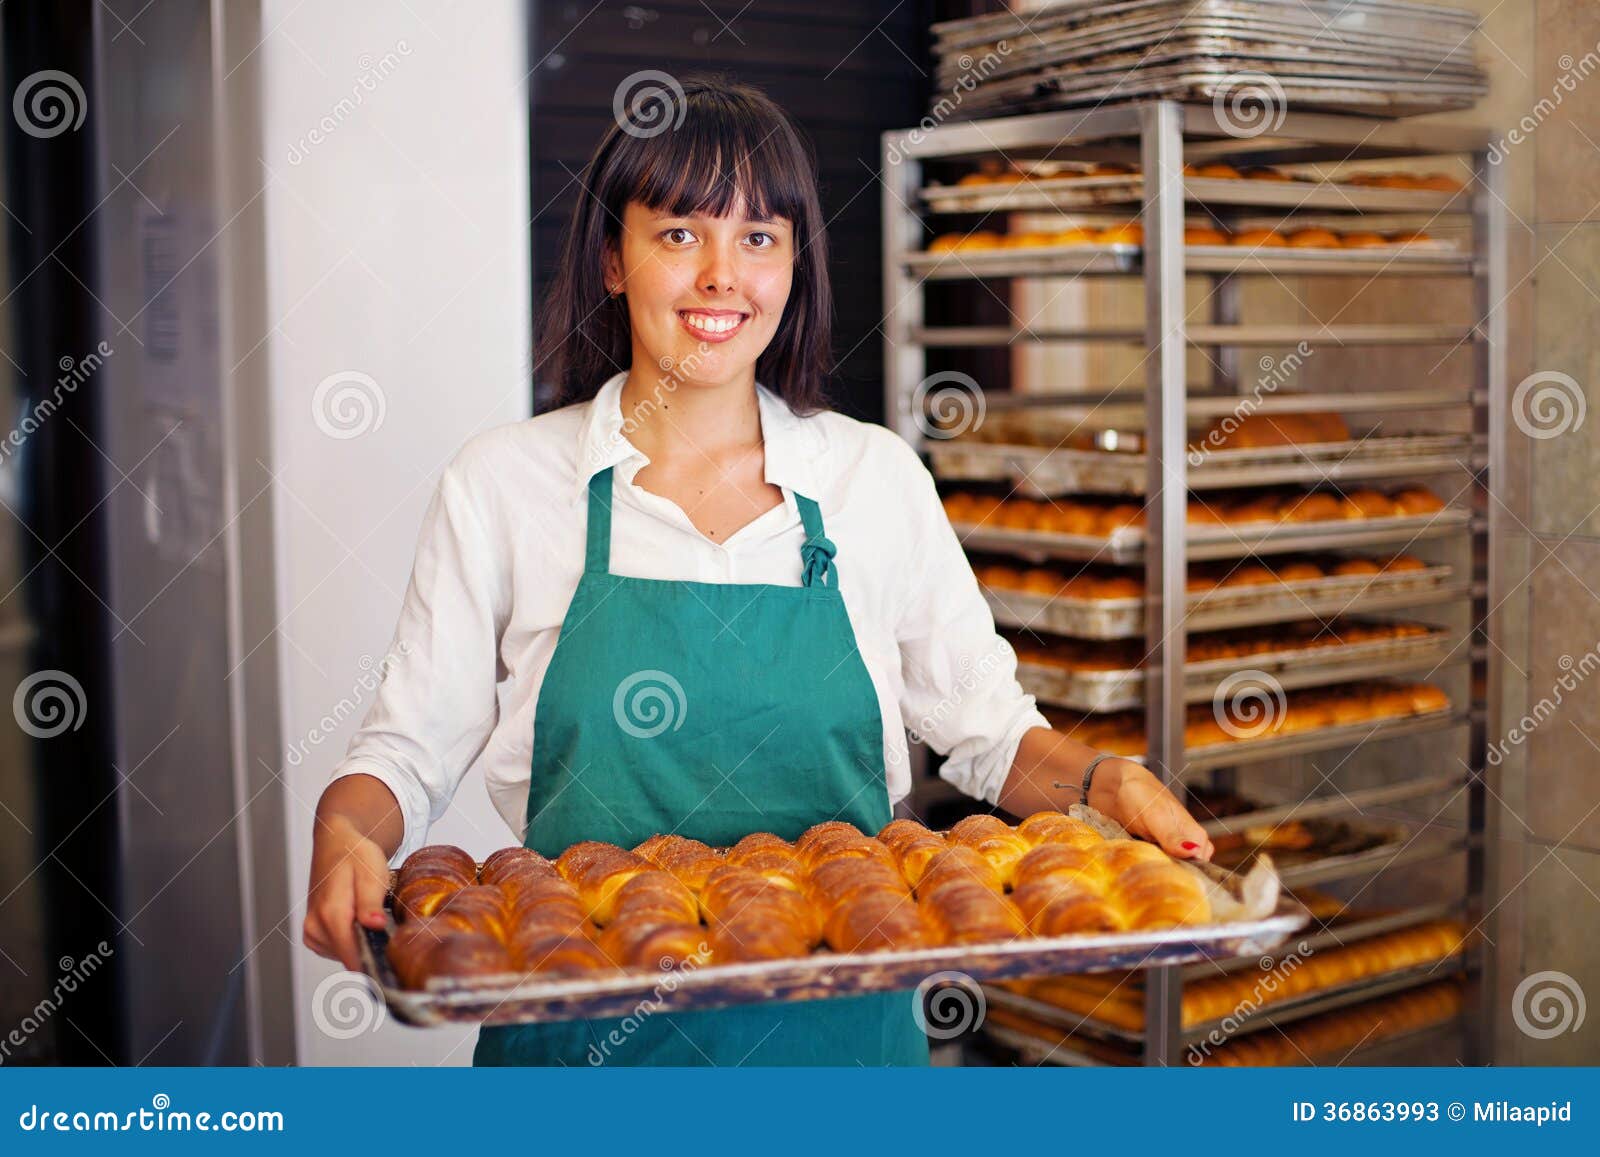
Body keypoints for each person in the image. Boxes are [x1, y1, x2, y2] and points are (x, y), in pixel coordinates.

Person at [303, 73, 1212, 1067]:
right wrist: (345, 827)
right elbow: (407, 749)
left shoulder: (873, 478)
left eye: (759, 238)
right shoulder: (506, 483)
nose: (720, 278)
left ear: (793, 266)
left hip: (840, 1058)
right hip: (581, 1059)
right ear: (613, 258)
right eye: (680, 233)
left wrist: (1102, 779)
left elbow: (989, 733)